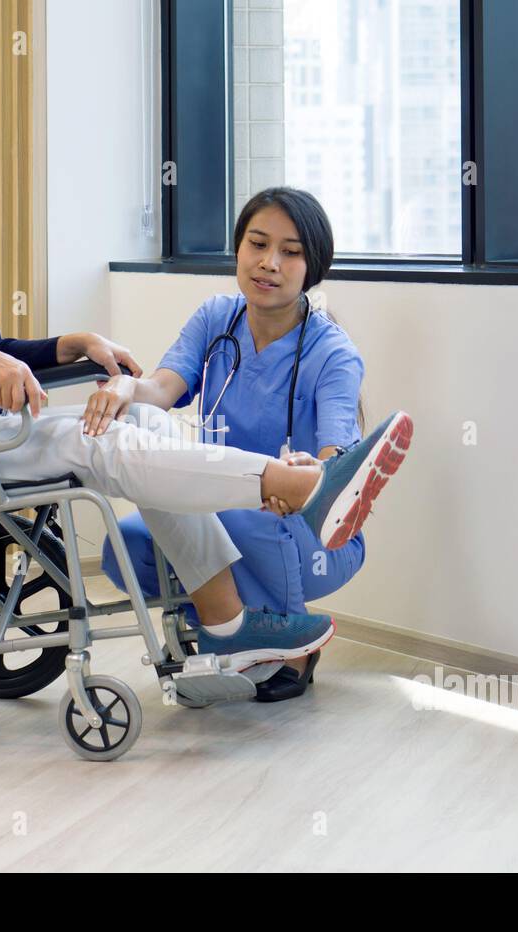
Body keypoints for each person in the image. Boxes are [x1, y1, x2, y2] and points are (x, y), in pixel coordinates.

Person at [0, 88, 411, 673]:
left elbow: (1, 350)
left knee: (140, 416)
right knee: (88, 437)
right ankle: (296, 488)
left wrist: (75, 343)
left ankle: (224, 618)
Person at [92, 187, 384, 701]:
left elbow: (337, 461)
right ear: (239, 248)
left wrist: (305, 472)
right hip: (222, 506)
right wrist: (123, 386)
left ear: (313, 265)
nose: (269, 263)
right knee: (127, 545)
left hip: (311, 536)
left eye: (291, 252)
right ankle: (219, 628)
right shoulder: (216, 318)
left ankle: (293, 642)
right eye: (258, 243)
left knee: (238, 515)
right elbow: (160, 390)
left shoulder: (333, 353)